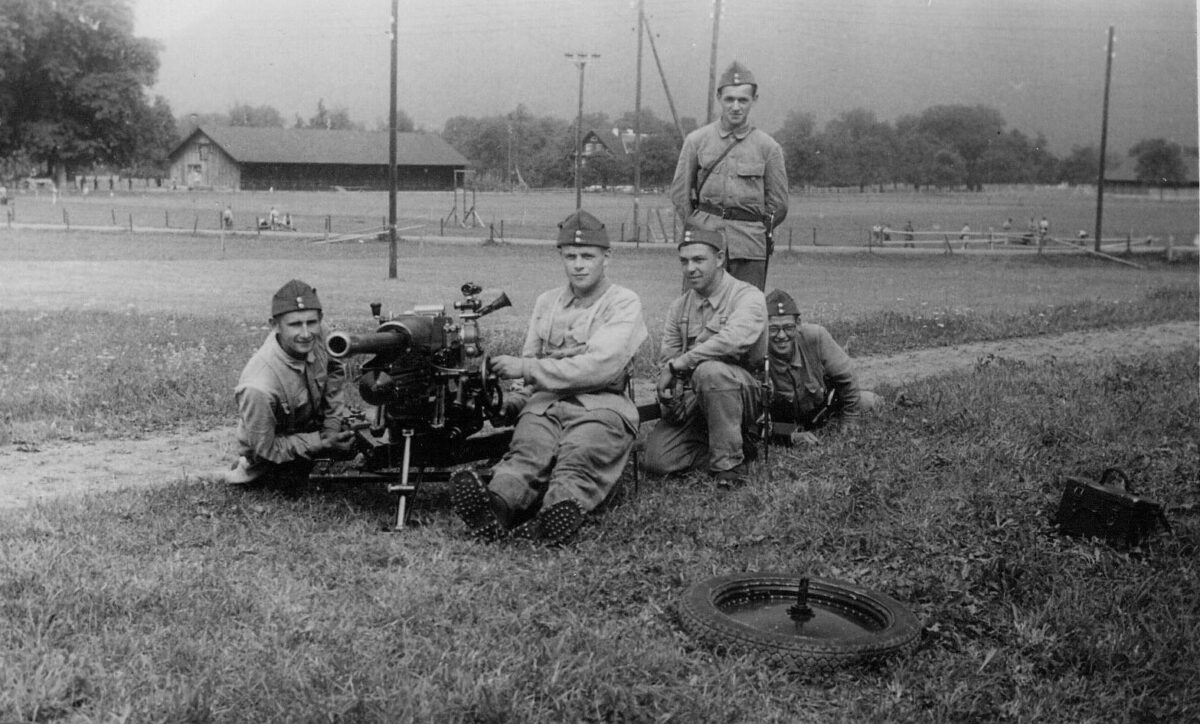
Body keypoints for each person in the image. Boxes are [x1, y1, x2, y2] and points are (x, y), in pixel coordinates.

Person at [450, 210, 648, 546]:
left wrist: (527, 369)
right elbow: (528, 367)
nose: (579, 265)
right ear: (561, 258)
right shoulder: (547, 302)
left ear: (606, 258)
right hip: (545, 404)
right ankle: (495, 508)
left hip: (602, 405)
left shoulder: (623, 302)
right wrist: (512, 403)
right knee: (526, 453)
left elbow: (600, 367)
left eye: (588, 256)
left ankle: (554, 517)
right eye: (570, 256)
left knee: (580, 456)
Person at [642, 223, 768, 486]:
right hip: (696, 396)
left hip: (743, 394)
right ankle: (733, 446)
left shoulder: (747, 296)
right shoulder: (679, 307)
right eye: (684, 261)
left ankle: (729, 467)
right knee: (657, 460)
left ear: (720, 259)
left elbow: (734, 341)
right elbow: (668, 359)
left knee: (710, 371)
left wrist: (681, 363)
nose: (690, 268)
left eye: (699, 260)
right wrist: (672, 395)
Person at [669, 61, 788, 291]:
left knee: (746, 308)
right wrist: (698, 227)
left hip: (749, 247)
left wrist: (756, 230)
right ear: (719, 98)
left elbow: (779, 205)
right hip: (704, 244)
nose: (735, 107)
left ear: (754, 100)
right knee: (698, 307)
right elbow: (679, 194)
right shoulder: (697, 141)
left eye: (743, 100)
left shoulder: (768, 147)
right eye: (729, 99)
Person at [226, 279, 355, 486]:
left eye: (311, 322)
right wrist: (321, 442)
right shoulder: (259, 385)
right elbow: (266, 450)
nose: (306, 333)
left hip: (312, 426)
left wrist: (332, 426)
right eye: (294, 324)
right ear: (274, 326)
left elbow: (334, 371)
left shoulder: (320, 332)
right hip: (273, 455)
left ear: (320, 319)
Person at [763, 289, 880, 445]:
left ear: (798, 324)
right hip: (783, 419)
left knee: (870, 402)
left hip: (822, 407)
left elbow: (846, 376)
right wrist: (790, 436)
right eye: (773, 329)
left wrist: (850, 418)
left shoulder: (816, 337)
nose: (781, 335)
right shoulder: (756, 351)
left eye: (788, 327)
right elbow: (754, 417)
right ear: (763, 327)